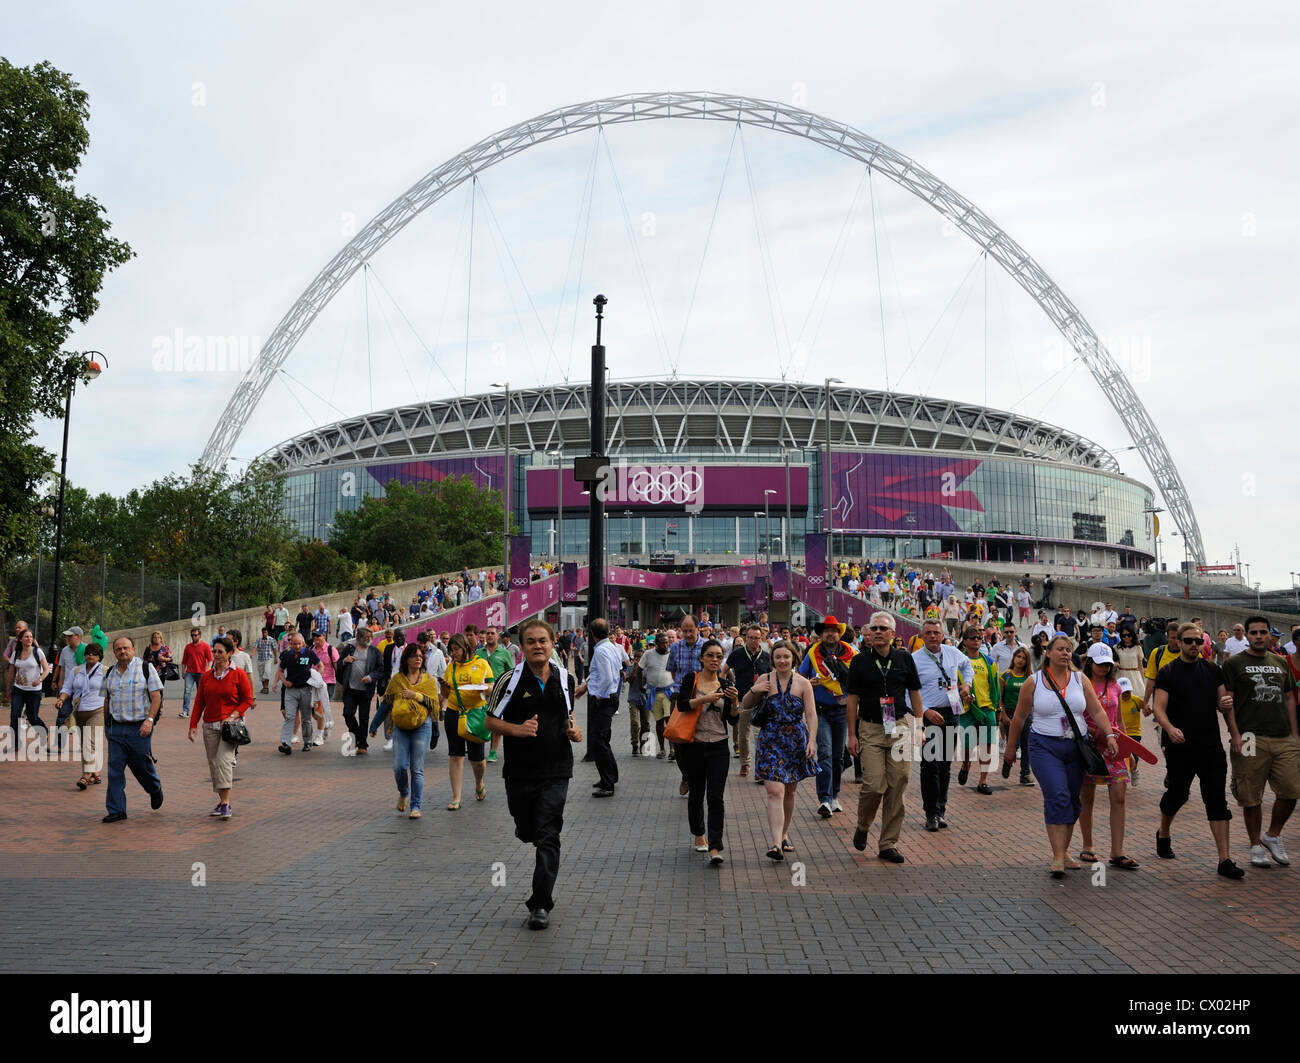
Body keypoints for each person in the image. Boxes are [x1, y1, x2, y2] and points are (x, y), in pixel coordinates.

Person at [485, 618, 582, 930]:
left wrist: (574, 730)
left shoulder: (566, 678)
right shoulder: (508, 681)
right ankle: (526, 827)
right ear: (522, 647)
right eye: (531, 642)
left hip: (557, 769)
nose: (538, 646)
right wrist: (518, 729)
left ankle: (540, 903)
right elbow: (489, 722)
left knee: (548, 835)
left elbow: (569, 714)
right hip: (520, 771)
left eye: (543, 640)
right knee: (528, 829)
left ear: (553, 644)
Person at [1002, 634, 1120, 876]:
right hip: (1044, 746)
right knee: (1057, 795)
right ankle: (1057, 856)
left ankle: (1064, 850)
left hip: (1076, 746)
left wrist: (1109, 735)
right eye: (1060, 649)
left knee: (1073, 800)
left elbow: (1096, 711)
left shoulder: (1080, 679)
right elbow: (1020, 717)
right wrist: (1011, 748)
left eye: (1069, 650)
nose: (1066, 653)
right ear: (1049, 653)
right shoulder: (1033, 682)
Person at [1150, 623, 1244, 879]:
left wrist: (1234, 732)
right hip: (1179, 746)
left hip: (1210, 745)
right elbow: (1158, 707)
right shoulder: (1168, 672)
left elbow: (1224, 704)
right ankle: (1164, 831)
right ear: (1179, 642)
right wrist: (1169, 729)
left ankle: (1224, 860)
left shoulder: (1213, 670)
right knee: (1178, 794)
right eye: (1189, 641)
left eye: (1198, 641)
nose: (1194, 645)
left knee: (1216, 800)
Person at [845, 613, 923, 862]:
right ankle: (863, 825)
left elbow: (915, 693)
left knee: (898, 783)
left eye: (883, 628)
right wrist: (851, 734)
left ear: (893, 633)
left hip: (898, 725)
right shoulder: (859, 662)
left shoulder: (904, 658)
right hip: (870, 727)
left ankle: (888, 843)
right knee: (874, 784)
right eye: (874, 628)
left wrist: (919, 727)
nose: (878, 632)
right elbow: (852, 700)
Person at [1221, 616, 1298, 868]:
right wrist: (1235, 735)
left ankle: (1272, 835)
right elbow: (1228, 703)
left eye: (1262, 632)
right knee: (1251, 794)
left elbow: (1288, 697)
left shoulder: (1279, 661)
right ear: (1247, 635)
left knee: (1291, 790)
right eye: (1253, 632)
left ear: (1269, 635)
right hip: (1250, 736)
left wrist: (1294, 734)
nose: (1258, 636)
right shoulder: (1234, 663)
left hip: (1282, 736)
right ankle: (1255, 844)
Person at [744, 639, 817, 858]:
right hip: (770, 739)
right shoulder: (765, 679)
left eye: (786, 657)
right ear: (772, 660)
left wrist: (812, 741)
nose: (782, 661)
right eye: (778, 657)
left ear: (793, 658)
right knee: (775, 790)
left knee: (790, 791)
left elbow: (812, 715)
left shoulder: (804, 683)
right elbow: (746, 705)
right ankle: (775, 843)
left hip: (795, 740)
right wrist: (754, 689)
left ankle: (784, 834)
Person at [676, 638, 739, 866]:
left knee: (716, 797)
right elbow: (682, 704)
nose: (715, 660)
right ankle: (698, 834)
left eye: (719, 656)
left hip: (719, 746)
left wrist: (734, 703)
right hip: (694, 744)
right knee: (696, 794)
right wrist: (704, 699)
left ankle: (715, 846)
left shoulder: (725, 683)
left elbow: (733, 721)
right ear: (702, 658)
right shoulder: (691, 679)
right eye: (710, 655)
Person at [1078, 643, 1137, 870]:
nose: (1103, 667)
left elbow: (1120, 720)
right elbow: (1076, 716)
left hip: (1114, 746)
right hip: (1089, 747)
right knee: (1087, 797)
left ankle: (1117, 851)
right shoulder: (1082, 685)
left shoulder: (1115, 686)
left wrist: (1128, 749)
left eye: (1107, 664)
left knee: (1119, 797)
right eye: (1099, 663)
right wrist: (1095, 732)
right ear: (1090, 663)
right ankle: (1088, 845)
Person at [911, 619, 974, 832]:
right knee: (930, 765)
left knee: (945, 765)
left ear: (942, 634)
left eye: (936, 632)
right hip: (928, 714)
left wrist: (966, 684)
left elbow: (968, 667)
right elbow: (906, 692)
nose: (932, 636)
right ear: (921, 635)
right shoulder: (915, 659)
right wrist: (925, 710)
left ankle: (941, 809)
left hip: (951, 711)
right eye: (928, 633)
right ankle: (931, 813)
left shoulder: (952, 652)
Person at [797, 615, 857, 818]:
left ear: (840, 634)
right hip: (819, 711)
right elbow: (800, 677)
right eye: (826, 630)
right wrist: (808, 683)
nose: (830, 633)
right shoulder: (812, 654)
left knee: (838, 756)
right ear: (821, 634)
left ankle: (834, 795)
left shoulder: (851, 653)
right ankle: (824, 799)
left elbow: (858, 680)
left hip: (843, 710)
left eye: (834, 630)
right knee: (824, 752)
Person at [187, 636, 253, 820]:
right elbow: (199, 703)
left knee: (224, 762)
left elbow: (247, 700)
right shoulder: (207, 676)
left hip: (230, 727)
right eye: (214, 651)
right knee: (214, 764)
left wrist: (233, 715)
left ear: (230, 653)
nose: (216, 655)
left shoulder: (238, 674)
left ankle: (225, 804)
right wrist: (193, 725)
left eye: (220, 651)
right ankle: (221, 800)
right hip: (209, 726)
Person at [100, 636, 165, 823]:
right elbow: (106, 700)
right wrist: (107, 724)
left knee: (140, 765)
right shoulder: (110, 672)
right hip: (116, 728)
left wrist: (150, 720)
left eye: (126, 648)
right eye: (118, 649)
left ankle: (154, 788)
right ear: (114, 652)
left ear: (134, 649)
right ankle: (116, 809)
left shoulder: (145, 668)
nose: (122, 651)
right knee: (115, 769)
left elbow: (156, 697)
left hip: (139, 727)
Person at [380, 643, 441, 819]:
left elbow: (434, 704)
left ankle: (416, 806)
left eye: (421, 656)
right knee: (399, 767)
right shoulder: (397, 679)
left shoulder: (428, 680)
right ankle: (404, 792)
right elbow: (387, 702)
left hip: (422, 725)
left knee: (417, 768)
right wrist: (374, 725)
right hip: (400, 726)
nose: (418, 658)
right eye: (414, 655)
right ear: (406, 659)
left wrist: (416, 695)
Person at [441, 633, 493, 809]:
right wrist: (444, 687)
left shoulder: (481, 663)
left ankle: (479, 783)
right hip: (454, 713)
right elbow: (446, 695)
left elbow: (492, 687)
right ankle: (456, 797)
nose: (453, 653)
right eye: (452, 650)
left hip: (475, 714)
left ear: (465, 648)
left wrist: (484, 688)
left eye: (456, 650)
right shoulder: (451, 667)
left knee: (477, 758)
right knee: (455, 755)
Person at [582, 618, 627, 798]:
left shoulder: (600, 650)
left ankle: (608, 782)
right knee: (601, 740)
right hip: (610, 698)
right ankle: (608, 776)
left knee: (599, 740)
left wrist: (600, 696)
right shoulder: (612, 647)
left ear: (591, 634)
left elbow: (607, 677)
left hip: (604, 699)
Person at [55, 641, 106, 789]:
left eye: (94, 653)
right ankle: (95, 772)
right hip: (79, 710)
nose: (91, 655)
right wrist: (61, 699)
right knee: (86, 744)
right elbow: (67, 687)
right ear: (84, 655)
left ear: (99, 656)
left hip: (97, 710)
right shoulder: (77, 671)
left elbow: (107, 693)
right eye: (88, 653)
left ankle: (86, 775)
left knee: (89, 743)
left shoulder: (104, 671)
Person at [725, 624, 772, 779]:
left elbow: (772, 676)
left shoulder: (766, 656)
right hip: (742, 699)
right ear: (745, 638)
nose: (753, 641)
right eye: (750, 637)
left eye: (756, 638)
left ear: (761, 638)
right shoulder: (737, 654)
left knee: (760, 736)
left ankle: (760, 768)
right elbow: (724, 670)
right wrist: (727, 685)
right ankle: (745, 764)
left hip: (761, 701)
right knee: (743, 735)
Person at [956, 627, 999, 796]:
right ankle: (965, 765)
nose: (976, 641)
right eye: (972, 638)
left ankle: (983, 781)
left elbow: (995, 685)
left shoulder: (989, 662)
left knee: (986, 747)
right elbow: (951, 685)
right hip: (967, 710)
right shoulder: (958, 662)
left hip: (987, 708)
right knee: (967, 747)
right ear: (965, 641)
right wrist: (961, 693)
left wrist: (997, 708)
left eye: (979, 638)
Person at [339, 626, 382, 755]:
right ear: (359, 638)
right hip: (350, 689)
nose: (369, 639)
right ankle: (359, 737)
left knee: (364, 718)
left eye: (371, 637)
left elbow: (380, 669)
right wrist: (345, 661)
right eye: (366, 637)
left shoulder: (374, 651)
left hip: (365, 690)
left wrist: (370, 677)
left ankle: (362, 745)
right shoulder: (349, 648)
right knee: (348, 713)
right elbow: (338, 664)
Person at [274, 633, 319, 756]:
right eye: (294, 644)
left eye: (299, 643)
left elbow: (320, 665)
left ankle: (307, 741)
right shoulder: (287, 655)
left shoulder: (309, 653)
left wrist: (317, 679)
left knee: (306, 718)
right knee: (289, 716)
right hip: (291, 690)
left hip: (306, 689)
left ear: (303, 643)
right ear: (290, 644)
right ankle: (286, 743)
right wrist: (284, 681)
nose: (297, 646)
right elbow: (280, 670)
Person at [7, 628, 50, 744]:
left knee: (32, 717)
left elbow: (46, 669)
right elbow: (11, 673)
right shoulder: (16, 654)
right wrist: (8, 690)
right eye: (26, 637)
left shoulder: (37, 652)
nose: (29, 639)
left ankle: (44, 731)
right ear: (20, 639)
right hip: (18, 689)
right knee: (15, 716)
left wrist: (40, 679)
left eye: (31, 637)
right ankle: (15, 743)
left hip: (34, 690)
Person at [479, 627, 514, 764]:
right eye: (487, 633)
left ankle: (493, 751)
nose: (489, 636)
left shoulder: (504, 653)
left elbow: (510, 672)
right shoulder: (478, 652)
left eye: (492, 633)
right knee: (482, 720)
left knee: (496, 720)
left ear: (498, 636)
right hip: (481, 692)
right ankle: (478, 746)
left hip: (498, 692)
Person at [999, 647, 1034, 786]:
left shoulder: (1029, 676)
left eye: (1024, 658)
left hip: (1027, 715)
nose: (1021, 660)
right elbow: (999, 697)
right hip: (1010, 714)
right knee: (1014, 743)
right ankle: (1007, 762)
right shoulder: (1005, 676)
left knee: (1027, 745)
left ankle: (1025, 774)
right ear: (1014, 658)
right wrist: (1003, 715)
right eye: (1018, 657)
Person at [637, 632, 675, 758]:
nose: (665, 644)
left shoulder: (672, 654)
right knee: (659, 722)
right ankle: (662, 749)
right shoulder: (648, 654)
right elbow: (639, 669)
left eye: (667, 642)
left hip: (669, 692)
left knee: (669, 721)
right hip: (654, 692)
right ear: (657, 643)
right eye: (662, 642)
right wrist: (640, 685)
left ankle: (672, 749)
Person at [178, 626, 212, 720]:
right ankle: (185, 711)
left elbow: (210, 660)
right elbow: (184, 661)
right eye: (192, 635)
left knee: (201, 693)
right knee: (187, 691)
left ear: (200, 635)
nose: (193, 637)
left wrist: (208, 670)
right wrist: (183, 671)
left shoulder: (205, 646)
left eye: (195, 635)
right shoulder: (188, 647)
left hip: (201, 673)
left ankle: (205, 711)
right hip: (190, 672)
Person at [1114, 626, 1145, 692]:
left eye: (1129, 635)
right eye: (1124, 635)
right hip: (1121, 675)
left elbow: (1140, 666)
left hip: (1135, 676)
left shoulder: (1137, 648)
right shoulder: (1116, 647)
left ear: (1132, 635)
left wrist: (1142, 680)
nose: (1126, 637)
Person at [254, 628, 278, 694]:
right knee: (261, 674)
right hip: (260, 659)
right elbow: (255, 647)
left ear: (267, 632)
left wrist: (276, 658)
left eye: (265, 632)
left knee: (267, 672)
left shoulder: (271, 640)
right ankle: (264, 687)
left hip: (268, 658)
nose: (264, 634)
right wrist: (252, 654)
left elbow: (274, 649)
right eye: (263, 632)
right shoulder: (258, 640)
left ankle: (266, 688)